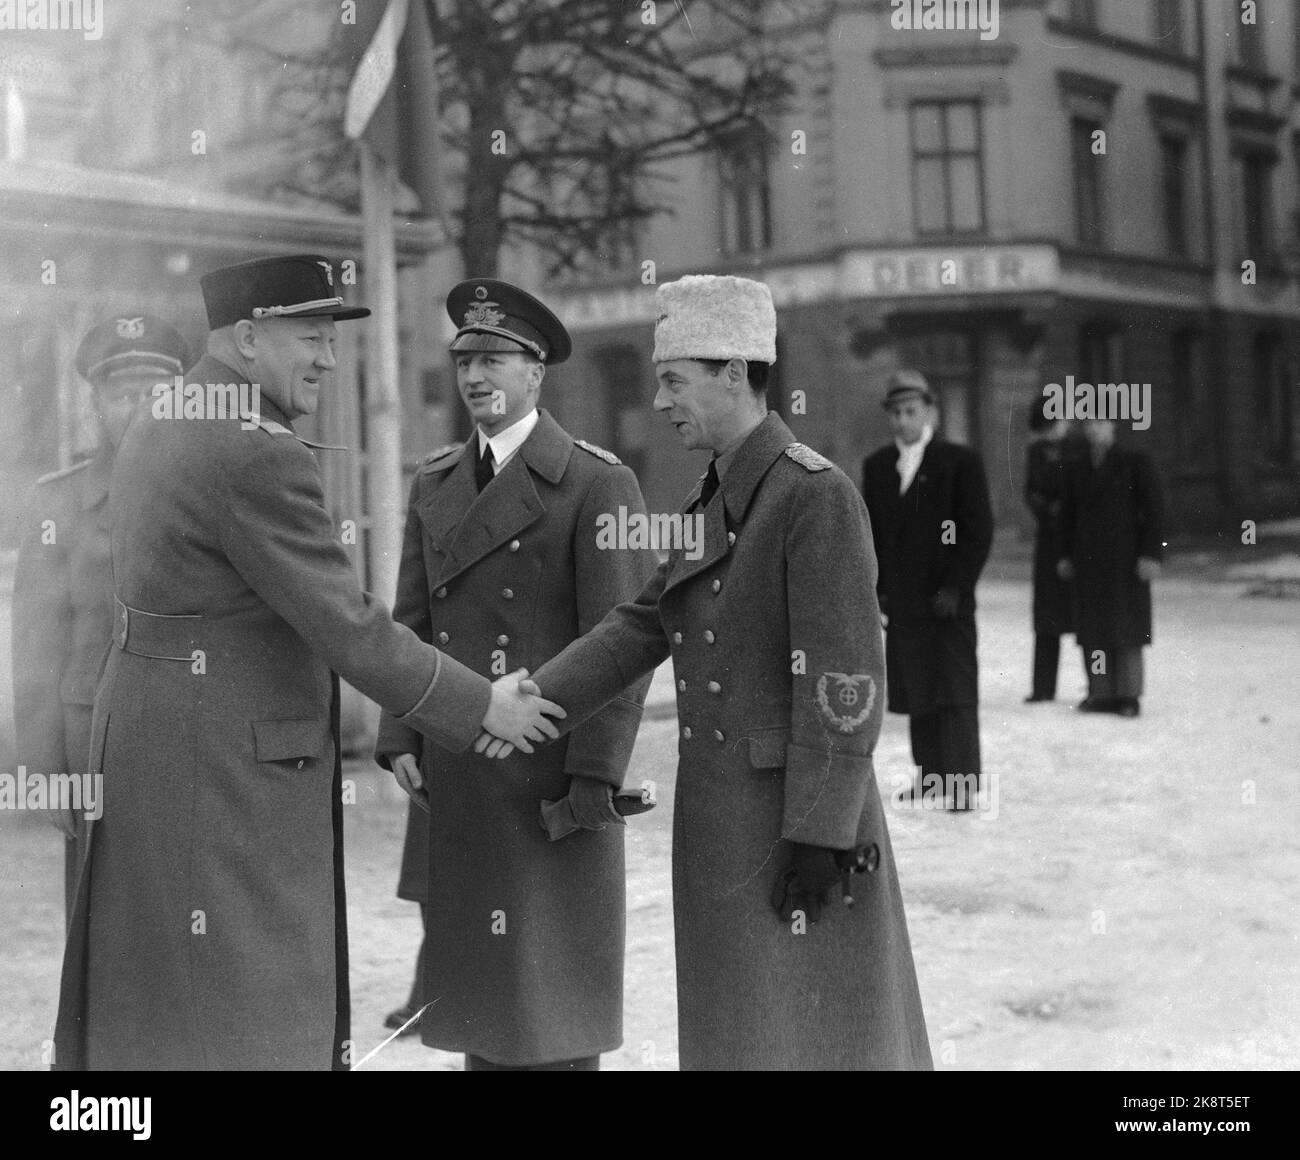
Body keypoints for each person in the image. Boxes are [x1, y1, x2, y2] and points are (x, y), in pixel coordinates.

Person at [52, 255, 563, 1072]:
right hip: (223, 767)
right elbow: (350, 626)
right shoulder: (255, 452)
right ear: (249, 339)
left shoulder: (167, 416)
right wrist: (480, 706)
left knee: (158, 1000)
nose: (328, 357)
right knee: (247, 1005)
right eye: (312, 337)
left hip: (159, 737)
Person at [488, 274, 932, 1070]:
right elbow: (638, 626)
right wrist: (528, 699)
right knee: (742, 1032)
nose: (660, 402)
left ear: (734, 372)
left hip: (797, 823)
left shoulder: (811, 494)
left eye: (673, 380)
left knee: (821, 1035)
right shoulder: (712, 498)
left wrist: (823, 833)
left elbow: (846, 683)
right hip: (721, 819)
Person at [375, 279, 657, 1071]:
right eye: (465, 358)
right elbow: (411, 621)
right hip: (459, 770)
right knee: (483, 1013)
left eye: (495, 358)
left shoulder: (598, 484)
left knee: (551, 1011)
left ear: (537, 373)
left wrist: (595, 778)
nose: (475, 376)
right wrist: (401, 728)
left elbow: (622, 645)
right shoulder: (435, 481)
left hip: (548, 784)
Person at [12, 313, 190, 926]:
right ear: (94, 404)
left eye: (154, 395)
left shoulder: (211, 488)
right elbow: (37, 644)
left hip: (192, 738)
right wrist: (43, 772)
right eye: (122, 396)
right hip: (93, 747)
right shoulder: (57, 502)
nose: (138, 409)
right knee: (102, 923)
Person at [860, 370, 993, 811]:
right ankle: (931, 776)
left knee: (953, 689)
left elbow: (977, 532)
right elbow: (873, 533)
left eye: (910, 411)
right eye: (895, 413)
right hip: (903, 600)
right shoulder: (878, 467)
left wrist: (957, 586)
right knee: (917, 686)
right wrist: (877, 589)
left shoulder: (959, 462)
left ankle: (960, 784)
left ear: (929, 411)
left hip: (947, 601)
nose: (902, 420)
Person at [1057, 417, 1165, 717]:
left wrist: (1151, 554)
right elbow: (1067, 513)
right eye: (1089, 424)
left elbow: (1154, 509)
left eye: (1101, 424)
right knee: (1094, 629)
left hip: (1126, 559)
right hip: (1088, 560)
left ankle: (1128, 695)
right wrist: (1065, 554)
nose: (1094, 430)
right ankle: (1100, 692)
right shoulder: (1077, 465)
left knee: (1126, 627)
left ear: (1114, 427)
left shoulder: (1134, 461)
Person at [1023, 410, 1084, 702]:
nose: (1051, 432)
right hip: (1048, 540)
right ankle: (1043, 688)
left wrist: (1065, 508)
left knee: (1086, 617)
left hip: (1076, 540)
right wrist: (1047, 510)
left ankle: (1097, 686)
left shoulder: (1078, 449)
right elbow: (1030, 491)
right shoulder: (1035, 452)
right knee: (1046, 617)